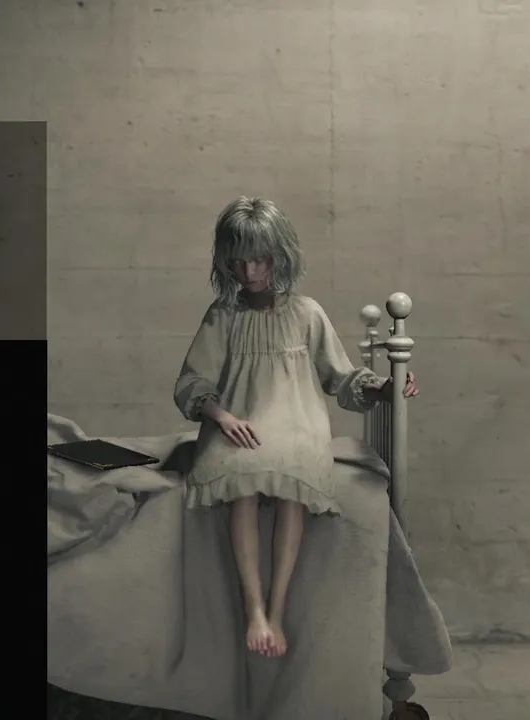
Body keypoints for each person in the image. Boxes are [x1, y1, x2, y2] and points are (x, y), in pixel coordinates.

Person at [173, 196, 418, 659]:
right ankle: (254, 610)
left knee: (293, 489)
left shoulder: (307, 313)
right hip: (239, 425)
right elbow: (193, 381)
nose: (249, 272)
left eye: (259, 259)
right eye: (238, 260)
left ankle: (277, 610)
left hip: (297, 424)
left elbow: (339, 377)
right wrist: (223, 417)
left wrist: (385, 387)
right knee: (241, 486)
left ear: (280, 255)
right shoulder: (222, 315)